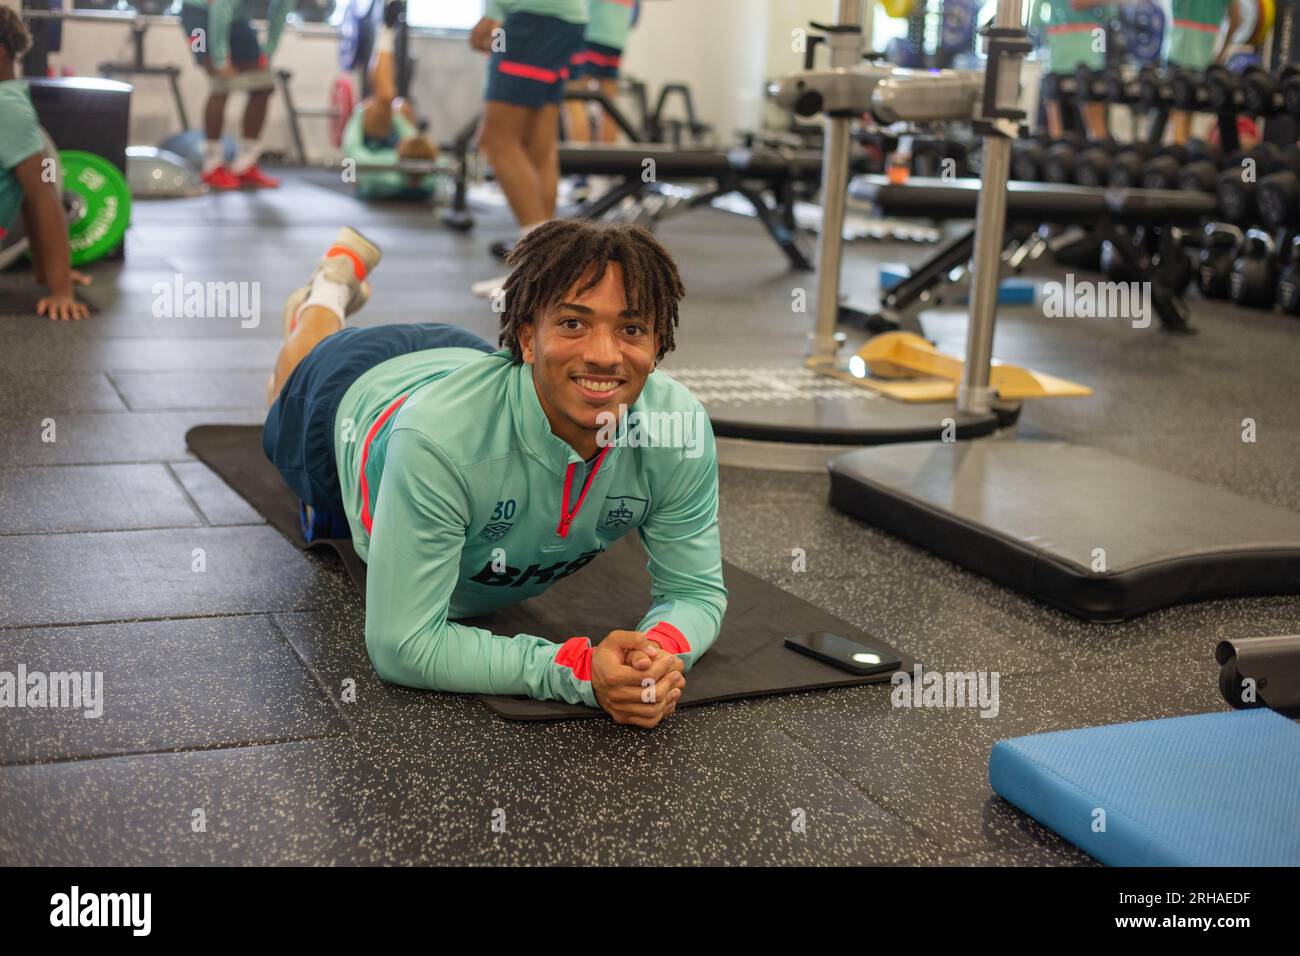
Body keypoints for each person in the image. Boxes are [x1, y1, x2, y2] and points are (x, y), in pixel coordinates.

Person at [262, 219, 726, 727]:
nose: (603, 354)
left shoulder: (675, 427)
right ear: (527, 338)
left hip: (462, 360)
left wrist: (654, 658)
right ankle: (328, 289)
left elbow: (695, 594)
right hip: (354, 397)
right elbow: (403, 645)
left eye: (631, 329)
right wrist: (579, 671)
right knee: (291, 375)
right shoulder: (438, 440)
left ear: (659, 344)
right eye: (573, 323)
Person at [468, 0, 588, 293]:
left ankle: (537, 268)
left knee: (497, 141)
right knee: (539, 147)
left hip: (534, 17)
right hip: (567, 19)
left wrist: (494, 10)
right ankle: (547, 269)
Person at [0, 8, 89, 321]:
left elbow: (43, 197)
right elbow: (24, 197)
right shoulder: (10, 100)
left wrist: (61, 288)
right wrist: (44, 272)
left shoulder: (6, 107)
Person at [178, 0, 293, 190]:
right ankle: (212, 165)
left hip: (236, 17)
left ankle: (245, 164)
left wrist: (268, 51)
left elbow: (280, 14)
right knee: (220, 83)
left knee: (264, 86)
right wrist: (220, 60)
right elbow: (220, 7)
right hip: (197, 14)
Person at [341, 0, 440, 202]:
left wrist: (359, 114)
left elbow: (352, 148)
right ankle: (386, 32)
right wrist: (396, 113)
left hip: (372, 142)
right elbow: (412, 138)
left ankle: (385, 31)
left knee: (387, 99)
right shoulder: (431, 181)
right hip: (399, 144)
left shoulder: (383, 177)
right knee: (401, 105)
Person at [1034, 0, 1114, 141]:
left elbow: (1035, 20)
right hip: (1090, 54)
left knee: (1055, 111)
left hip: (1059, 55)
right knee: (1093, 118)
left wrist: (1049, 34)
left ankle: (1057, 153)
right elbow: (1109, 15)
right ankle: (1096, 152)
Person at [564, 0, 634, 144]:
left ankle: (580, 157)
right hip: (617, 37)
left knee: (574, 95)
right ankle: (607, 160)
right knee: (609, 105)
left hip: (593, 31)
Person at [1166, 0, 1236, 144]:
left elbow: (1237, 17)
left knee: (1180, 115)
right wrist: (1222, 52)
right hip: (1204, 59)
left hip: (1178, 55)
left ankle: (1180, 157)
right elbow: (1237, 18)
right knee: (1185, 113)